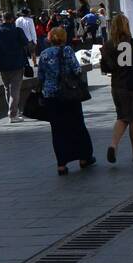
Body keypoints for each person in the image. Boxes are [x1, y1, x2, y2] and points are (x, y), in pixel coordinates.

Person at [38, 26, 96, 174]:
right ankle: (84, 158)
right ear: (63, 38)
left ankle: (61, 165)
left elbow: (41, 77)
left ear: (50, 38)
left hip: (51, 96)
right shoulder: (68, 50)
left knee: (58, 130)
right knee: (77, 126)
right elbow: (76, 70)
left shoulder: (44, 54)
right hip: (69, 94)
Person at [100, 12, 133, 164]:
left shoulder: (107, 47)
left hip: (117, 85)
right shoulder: (132, 43)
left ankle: (113, 144)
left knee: (122, 117)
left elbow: (106, 69)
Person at [0, 13, 31, 123]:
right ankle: (13, 115)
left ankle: (13, 112)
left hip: (3, 65)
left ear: (2, 19)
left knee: (7, 89)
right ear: (12, 19)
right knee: (15, 90)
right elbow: (26, 43)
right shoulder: (17, 30)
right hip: (17, 64)